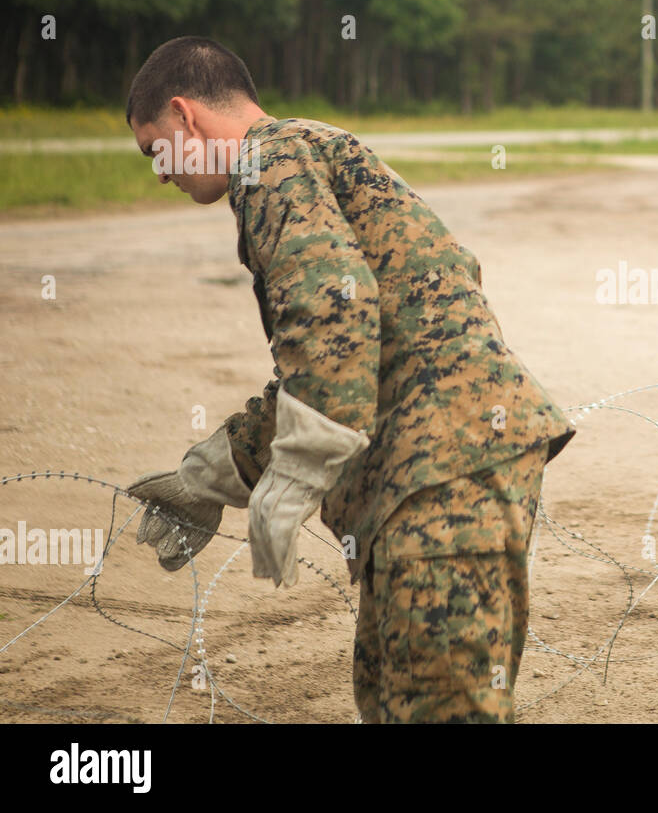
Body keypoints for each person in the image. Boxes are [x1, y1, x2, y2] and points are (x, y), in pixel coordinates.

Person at [123, 36, 574, 722]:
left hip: (442, 467)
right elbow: (331, 352)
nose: (160, 173)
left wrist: (298, 474)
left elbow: (336, 309)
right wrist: (211, 475)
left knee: (438, 706)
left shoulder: (268, 162)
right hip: (439, 463)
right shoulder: (297, 155)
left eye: (155, 149)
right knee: (397, 696)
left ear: (185, 117)